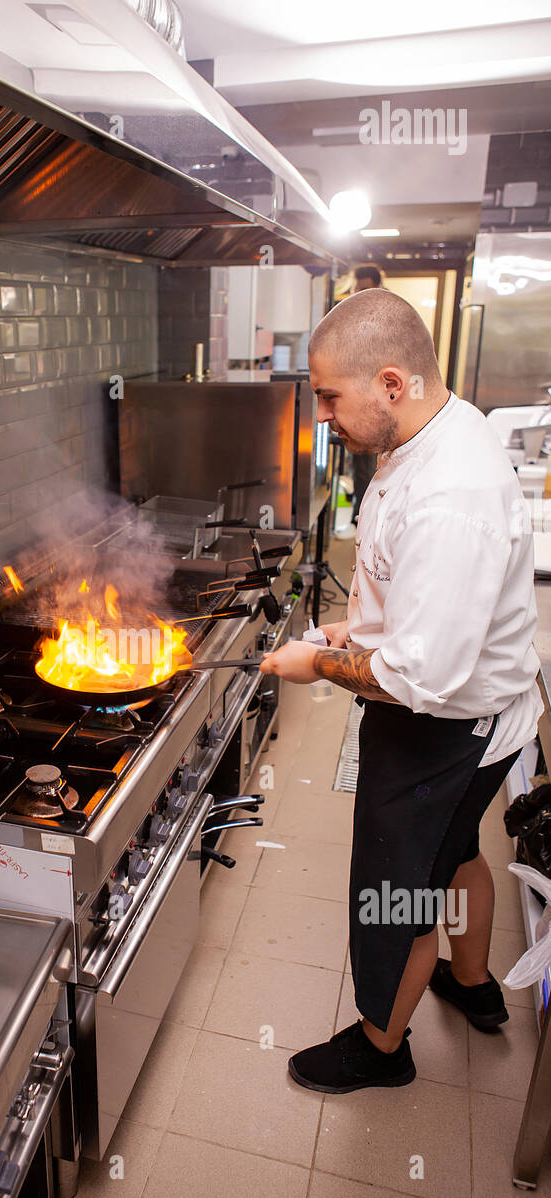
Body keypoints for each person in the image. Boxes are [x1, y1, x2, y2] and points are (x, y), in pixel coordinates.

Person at [260, 288, 542, 1094]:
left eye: (329, 397)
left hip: (443, 730)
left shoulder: (452, 496)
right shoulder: (429, 430)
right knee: (457, 853)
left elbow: (419, 677)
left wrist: (316, 666)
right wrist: (356, 631)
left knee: (395, 891)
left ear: (390, 382)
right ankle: (472, 982)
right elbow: (417, 602)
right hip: (474, 717)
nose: (322, 418)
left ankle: (383, 1049)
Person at [348, 265, 384, 525]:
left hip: (377, 405)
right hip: (356, 402)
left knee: (372, 467)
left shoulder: (387, 317)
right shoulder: (352, 316)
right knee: (361, 466)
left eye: (365, 288)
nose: (360, 293)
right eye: (357, 288)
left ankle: (368, 519)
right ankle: (362, 516)